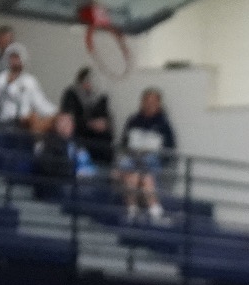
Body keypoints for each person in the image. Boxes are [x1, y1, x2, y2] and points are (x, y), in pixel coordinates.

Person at [118, 87, 176, 222]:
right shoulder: (133, 120)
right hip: (133, 158)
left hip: (152, 160)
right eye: (147, 101)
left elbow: (170, 148)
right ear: (142, 102)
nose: (150, 104)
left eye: (153, 101)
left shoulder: (164, 124)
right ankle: (133, 211)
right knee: (129, 172)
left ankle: (154, 213)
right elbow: (124, 142)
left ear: (158, 103)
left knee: (145, 175)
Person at [0, 43, 56, 132]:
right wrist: (6, 85)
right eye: (12, 58)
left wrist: (56, 113)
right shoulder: (2, 78)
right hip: (4, 124)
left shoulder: (30, 81)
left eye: (17, 58)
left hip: (24, 125)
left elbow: (40, 102)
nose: (14, 61)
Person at [61, 67, 115, 163]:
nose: (90, 84)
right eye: (87, 81)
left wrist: (104, 124)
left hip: (97, 136)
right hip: (79, 133)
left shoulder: (101, 97)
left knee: (106, 140)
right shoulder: (71, 94)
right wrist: (89, 124)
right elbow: (68, 118)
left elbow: (106, 116)